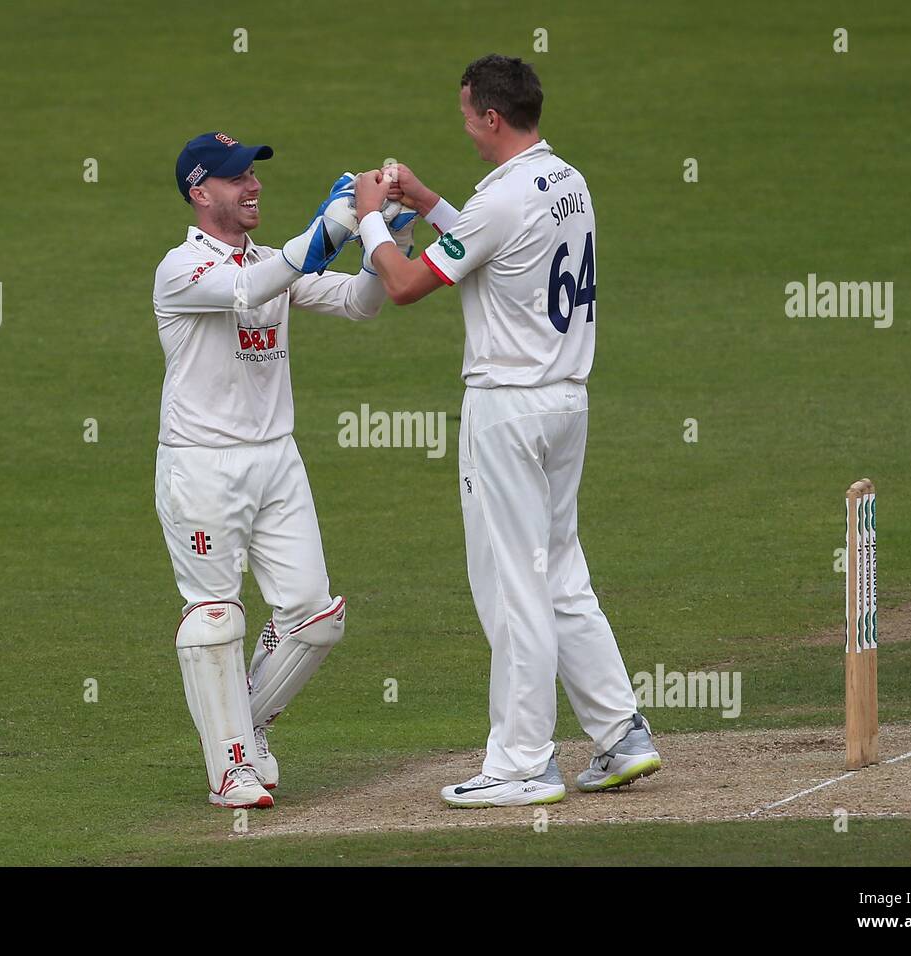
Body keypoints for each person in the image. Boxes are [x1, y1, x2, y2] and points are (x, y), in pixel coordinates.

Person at [352, 55, 661, 808]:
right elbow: (503, 250)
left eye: (466, 115)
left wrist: (367, 216)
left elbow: (402, 286)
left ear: (493, 117)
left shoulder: (502, 200)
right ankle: (620, 733)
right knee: (558, 570)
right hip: (565, 401)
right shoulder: (566, 180)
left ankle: (524, 761)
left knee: (512, 583)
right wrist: (431, 204)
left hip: (509, 408)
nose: (463, 125)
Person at [153, 132, 415, 808]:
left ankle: (247, 721)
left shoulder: (273, 260)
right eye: (237, 177)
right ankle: (230, 766)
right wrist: (330, 226)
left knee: (314, 617)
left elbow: (359, 303)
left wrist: (387, 235)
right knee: (215, 617)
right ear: (199, 191)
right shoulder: (182, 269)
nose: (253, 186)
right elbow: (247, 289)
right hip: (202, 466)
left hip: (277, 460)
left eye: (255, 174)